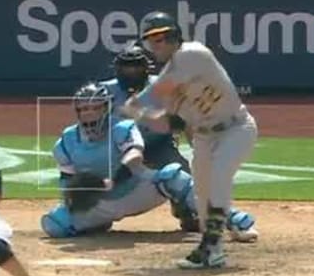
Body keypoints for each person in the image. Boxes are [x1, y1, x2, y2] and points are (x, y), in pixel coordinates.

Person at [120, 10, 259, 270]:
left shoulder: (193, 53)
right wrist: (141, 114)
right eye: (151, 41)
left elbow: (157, 91)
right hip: (205, 137)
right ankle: (214, 247)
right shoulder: (170, 81)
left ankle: (211, 247)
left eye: (161, 38)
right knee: (202, 192)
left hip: (235, 129)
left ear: (174, 37)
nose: (157, 45)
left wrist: (135, 104)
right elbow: (168, 122)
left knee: (218, 179)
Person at [97, 45, 259, 241]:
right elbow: (90, 127)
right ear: (117, 68)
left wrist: (197, 147)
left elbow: (186, 121)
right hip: (117, 150)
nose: (131, 72)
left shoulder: (163, 87)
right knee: (99, 181)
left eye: (136, 67)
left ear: (147, 68)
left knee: (184, 176)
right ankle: (96, 213)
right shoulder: (104, 91)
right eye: (126, 67)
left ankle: (192, 213)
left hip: (159, 146)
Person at [39, 84, 205, 240]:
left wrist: (115, 179)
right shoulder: (67, 140)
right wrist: (72, 198)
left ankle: (216, 218)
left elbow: (135, 155)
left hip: (137, 192)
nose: (89, 113)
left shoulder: (123, 128)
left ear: (106, 108)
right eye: (84, 109)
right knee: (56, 224)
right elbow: (66, 178)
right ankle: (98, 224)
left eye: (95, 108)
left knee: (174, 177)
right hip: (100, 202)